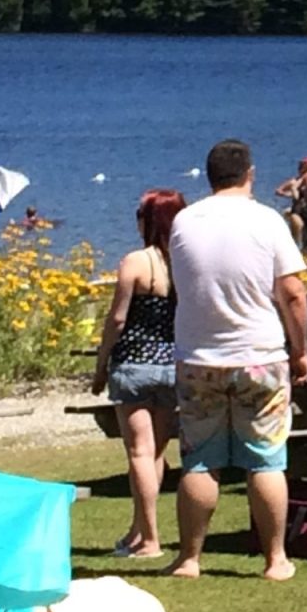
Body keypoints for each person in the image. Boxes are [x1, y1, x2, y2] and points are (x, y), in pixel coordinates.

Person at [167, 139, 307, 582]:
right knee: (266, 459)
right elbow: (292, 292)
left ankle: (190, 558)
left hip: (198, 357)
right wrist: (301, 350)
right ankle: (275, 559)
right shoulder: (267, 220)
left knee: (199, 460)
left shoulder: (183, 221)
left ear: (210, 177)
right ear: (249, 174)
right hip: (258, 355)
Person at [91, 188, 186, 560]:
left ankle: (150, 539)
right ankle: (138, 529)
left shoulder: (136, 261)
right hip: (171, 365)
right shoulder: (183, 264)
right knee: (156, 453)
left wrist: (101, 364)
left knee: (139, 453)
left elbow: (117, 319)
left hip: (134, 364)